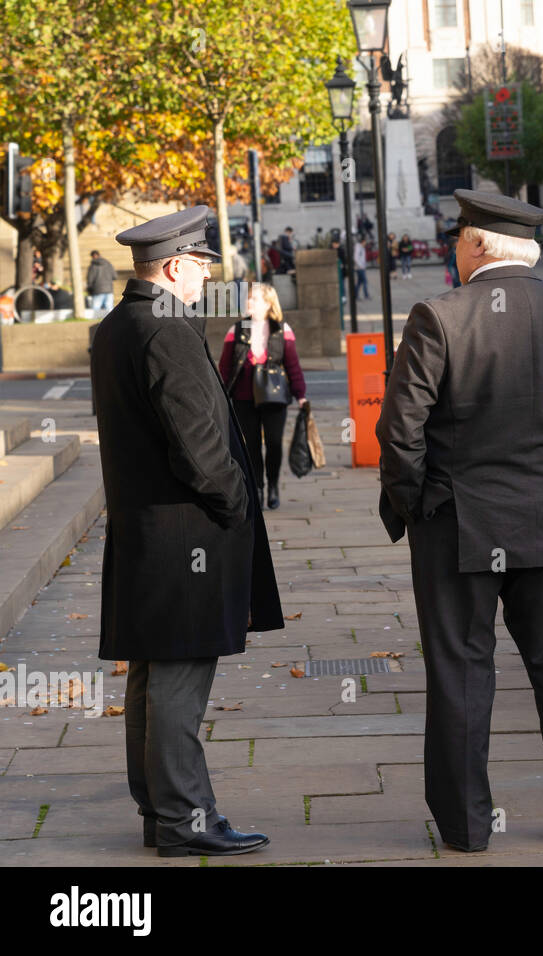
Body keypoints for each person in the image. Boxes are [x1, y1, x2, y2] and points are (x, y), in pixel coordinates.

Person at [376, 188, 543, 853]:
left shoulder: (439, 315)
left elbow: (400, 433)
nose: (454, 248)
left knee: (461, 672)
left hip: (459, 525)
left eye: (457, 237)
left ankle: (467, 827)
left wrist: (417, 505)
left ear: (476, 243)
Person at [90, 205, 281, 857]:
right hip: (185, 538)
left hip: (147, 533)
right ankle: (185, 818)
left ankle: (160, 809)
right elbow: (198, 445)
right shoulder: (168, 329)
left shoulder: (118, 325)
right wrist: (236, 501)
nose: (205, 279)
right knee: (177, 676)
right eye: (200, 267)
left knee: (153, 671)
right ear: (173, 266)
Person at [218, 283, 307, 511]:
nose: (249, 303)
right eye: (248, 299)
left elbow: (293, 366)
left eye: (254, 299)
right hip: (243, 398)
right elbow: (225, 368)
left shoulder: (282, 329)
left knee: (275, 444)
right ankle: (257, 487)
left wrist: (301, 396)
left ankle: (274, 485)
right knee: (252, 446)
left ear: (268, 303)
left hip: (274, 397)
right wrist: (218, 395)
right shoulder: (235, 330)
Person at [86, 250, 116, 316]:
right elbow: (115, 276)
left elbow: (90, 279)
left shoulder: (92, 266)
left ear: (92, 256)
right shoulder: (108, 264)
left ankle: (96, 324)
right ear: (99, 255)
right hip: (109, 289)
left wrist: (89, 289)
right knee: (109, 309)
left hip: (97, 290)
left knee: (96, 310)